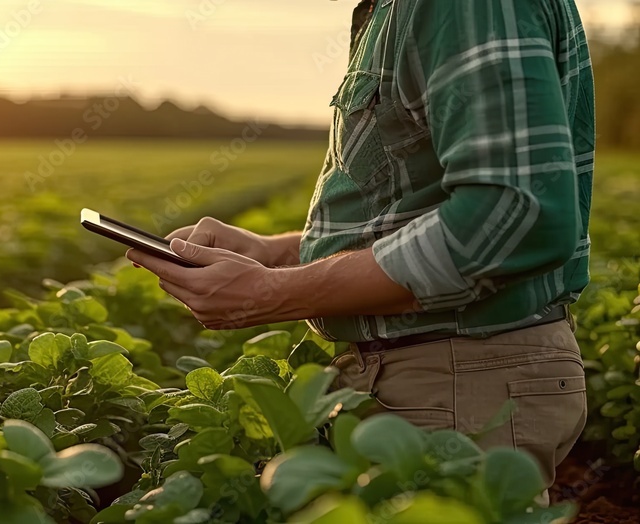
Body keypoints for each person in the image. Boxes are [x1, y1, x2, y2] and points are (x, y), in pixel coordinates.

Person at [126, 0, 594, 501]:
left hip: (459, 380)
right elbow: (420, 206)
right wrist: (278, 254)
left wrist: (273, 292)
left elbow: (517, 216)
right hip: (448, 378)